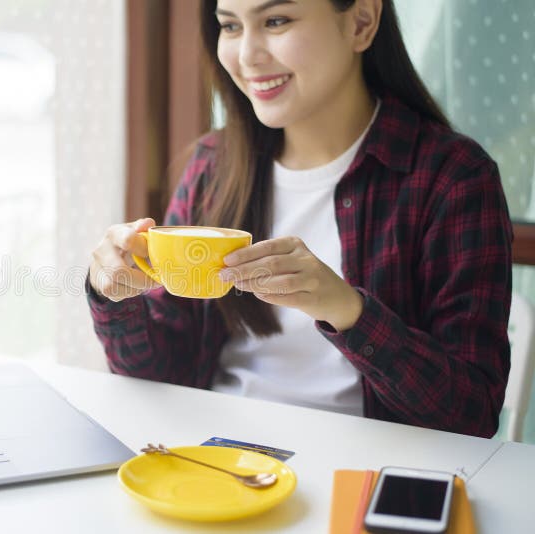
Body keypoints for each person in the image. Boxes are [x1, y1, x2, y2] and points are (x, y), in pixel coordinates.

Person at [86, 0, 513, 438]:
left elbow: (472, 413)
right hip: (214, 458)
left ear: (361, 22)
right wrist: (114, 293)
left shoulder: (453, 178)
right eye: (230, 27)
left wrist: (348, 310)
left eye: (276, 20)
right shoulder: (213, 167)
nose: (248, 54)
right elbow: (156, 374)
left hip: (364, 473)